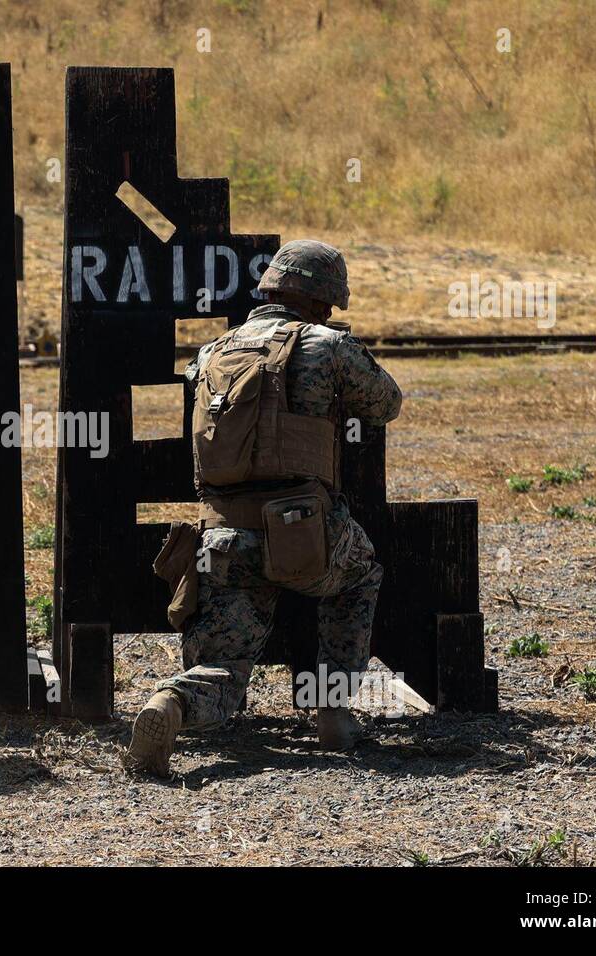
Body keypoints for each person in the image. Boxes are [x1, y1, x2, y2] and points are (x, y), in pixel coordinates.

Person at [125, 239, 403, 777]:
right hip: (306, 534)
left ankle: (173, 704)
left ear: (270, 288)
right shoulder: (326, 345)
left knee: (222, 671)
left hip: (224, 537)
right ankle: (333, 710)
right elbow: (386, 404)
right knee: (360, 573)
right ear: (323, 300)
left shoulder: (211, 353)